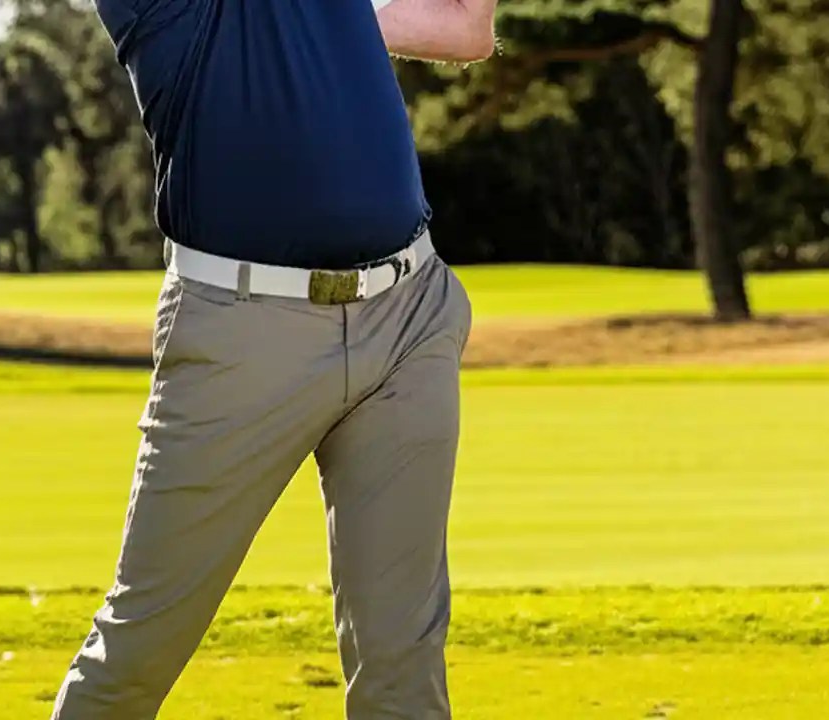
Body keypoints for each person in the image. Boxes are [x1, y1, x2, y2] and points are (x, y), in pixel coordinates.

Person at [53, 0, 499, 716]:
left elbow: (464, 25)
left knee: (403, 667)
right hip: (243, 331)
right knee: (138, 651)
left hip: (409, 312)